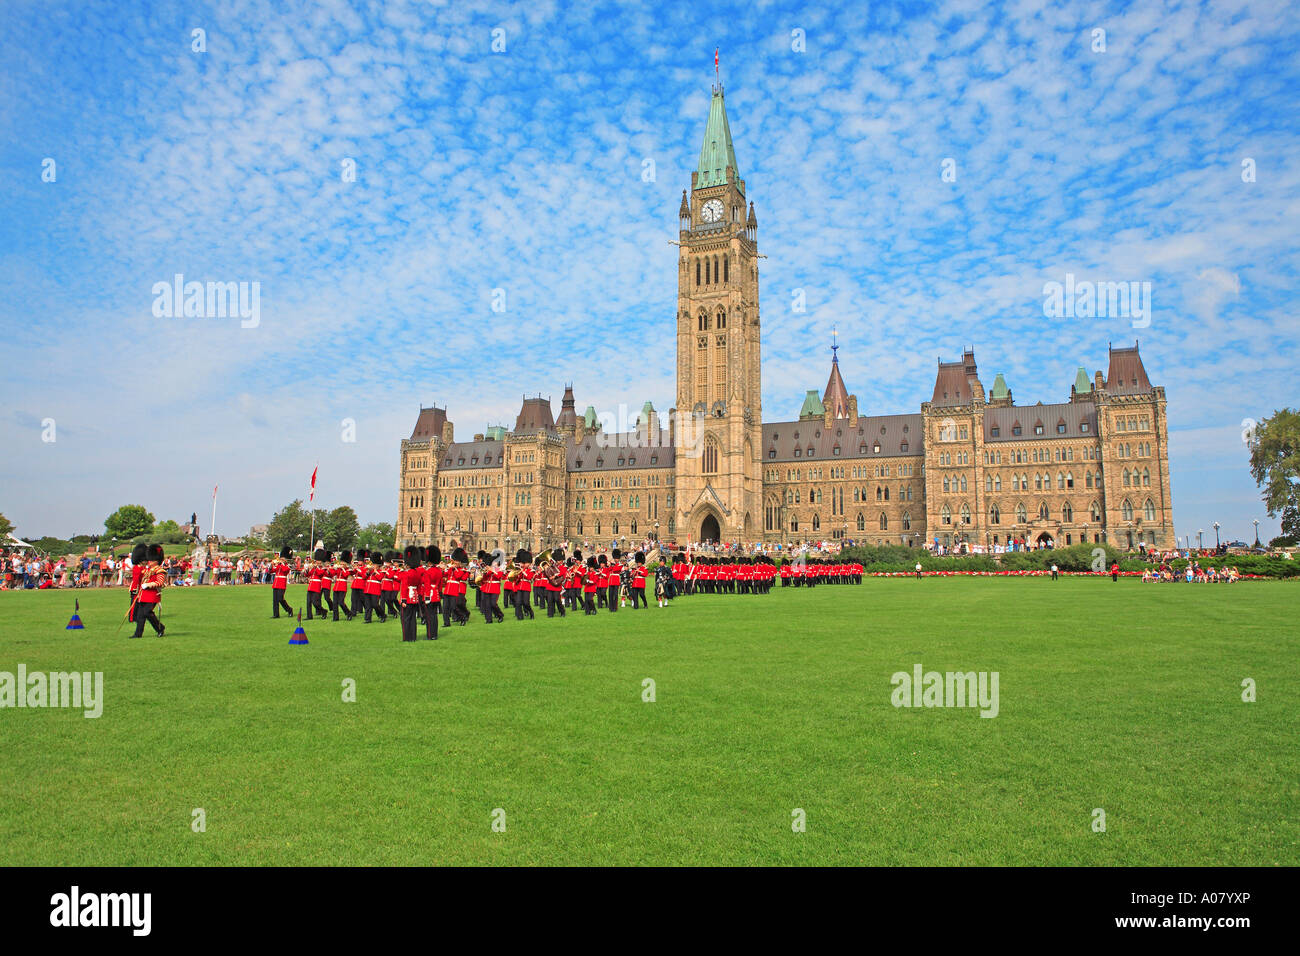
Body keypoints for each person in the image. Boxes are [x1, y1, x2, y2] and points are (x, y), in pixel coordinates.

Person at [132, 544, 167, 638]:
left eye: (151, 560)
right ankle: (138, 634)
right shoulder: (147, 570)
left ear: (157, 560)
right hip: (142, 595)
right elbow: (139, 578)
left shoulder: (160, 570)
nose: (149, 561)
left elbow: (160, 582)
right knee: (140, 616)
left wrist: (148, 585)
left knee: (147, 612)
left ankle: (160, 628)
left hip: (152, 596)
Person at [398, 545, 422, 642]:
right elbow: (419, 586)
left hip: (407, 597)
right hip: (414, 598)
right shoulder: (417, 573)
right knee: (413, 619)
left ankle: (406, 637)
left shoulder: (406, 573)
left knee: (405, 619)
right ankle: (413, 637)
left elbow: (403, 587)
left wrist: (403, 600)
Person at [271, 546, 293, 618]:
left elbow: (285, 571)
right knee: (275, 600)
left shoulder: (287, 566)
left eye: (283, 559)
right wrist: (272, 565)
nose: (281, 560)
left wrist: (281, 564)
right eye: (281, 559)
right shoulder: (278, 565)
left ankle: (289, 609)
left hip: (282, 584)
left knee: (280, 599)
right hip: (275, 584)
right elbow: (271, 571)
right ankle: (276, 614)